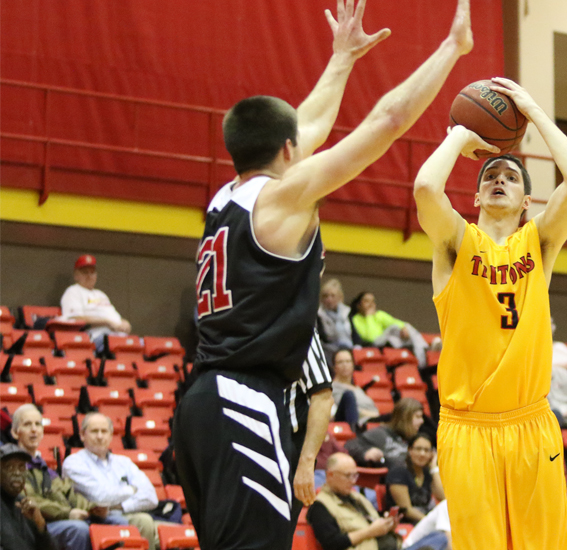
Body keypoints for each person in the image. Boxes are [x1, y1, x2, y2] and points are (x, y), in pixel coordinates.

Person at [172, 0, 475, 547]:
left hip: (200, 404)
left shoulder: (227, 197)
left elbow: (305, 124)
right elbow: (386, 121)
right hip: (245, 397)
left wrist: (341, 59)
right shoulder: (283, 199)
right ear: (289, 150)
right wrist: (451, 49)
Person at [413, 77, 567, 550]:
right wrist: (460, 135)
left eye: (511, 177)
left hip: (531, 424)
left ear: (526, 202)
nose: (499, 179)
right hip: (467, 430)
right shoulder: (455, 242)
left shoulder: (540, 242)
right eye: (489, 175)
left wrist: (532, 111)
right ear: (473, 198)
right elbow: (426, 187)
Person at [12, 405, 128, 550]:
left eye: (38, 424)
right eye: (27, 424)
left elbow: (69, 494)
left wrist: (93, 508)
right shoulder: (11, 466)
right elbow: (28, 502)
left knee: (118, 521)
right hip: (34, 526)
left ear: (42, 432)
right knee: (78, 529)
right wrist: (68, 513)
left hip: (59, 520)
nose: (34, 429)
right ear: (15, 432)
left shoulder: (44, 468)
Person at [61, 413, 169, 550]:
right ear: (82, 435)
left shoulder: (123, 462)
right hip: (96, 519)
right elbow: (100, 497)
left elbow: (151, 497)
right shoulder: (73, 463)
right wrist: (132, 489)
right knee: (144, 521)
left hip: (127, 513)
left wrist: (121, 506)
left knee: (185, 530)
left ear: (111, 436)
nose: (100, 436)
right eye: (94, 431)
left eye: (104, 431)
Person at [307, 453, 448, 550]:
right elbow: (332, 544)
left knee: (440, 536)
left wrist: (388, 525)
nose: (353, 481)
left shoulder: (358, 497)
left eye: (355, 475)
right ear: (330, 475)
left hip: (397, 545)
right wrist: (370, 531)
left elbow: (374, 523)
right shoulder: (320, 506)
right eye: (348, 476)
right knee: (441, 540)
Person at [59, 254, 132, 352]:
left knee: (143, 345)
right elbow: (74, 319)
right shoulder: (73, 291)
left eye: (92, 272)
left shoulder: (101, 294)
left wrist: (124, 323)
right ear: (76, 275)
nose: (89, 276)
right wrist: (106, 322)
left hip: (117, 336)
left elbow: (114, 317)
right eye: (85, 272)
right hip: (94, 338)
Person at [349, 292, 429, 367]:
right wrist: (369, 317)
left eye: (372, 302)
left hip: (388, 341)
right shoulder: (356, 319)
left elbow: (394, 321)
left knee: (406, 327)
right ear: (359, 305)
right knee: (394, 328)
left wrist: (403, 327)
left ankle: (423, 354)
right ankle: (425, 350)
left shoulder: (379, 314)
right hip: (373, 344)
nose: (371, 304)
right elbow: (372, 338)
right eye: (366, 301)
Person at [1, 443, 57, 550]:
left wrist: (41, 527)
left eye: (21, 467)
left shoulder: (25, 504)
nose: (17, 473)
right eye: (9, 467)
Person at [385, 433, 444, 524]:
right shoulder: (398, 471)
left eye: (426, 450)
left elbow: (442, 497)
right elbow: (407, 510)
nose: (422, 454)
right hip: (404, 523)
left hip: (425, 520)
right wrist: (431, 523)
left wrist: (434, 468)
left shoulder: (427, 471)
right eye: (418, 449)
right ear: (410, 450)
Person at [345, 398, 424, 466]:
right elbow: (349, 446)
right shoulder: (380, 434)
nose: (422, 421)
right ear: (404, 418)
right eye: (417, 417)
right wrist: (365, 453)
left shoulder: (415, 439)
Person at [331, 348, 381, 427]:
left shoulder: (358, 389)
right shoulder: (332, 388)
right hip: (357, 423)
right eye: (340, 362)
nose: (345, 365)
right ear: (334, 367)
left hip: (373, 421)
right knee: (349, 395)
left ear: (353, 365)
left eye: (348, 361)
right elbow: (347, 409)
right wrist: (373, 415)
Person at [318, 278, 354, 353]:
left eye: (332, 296)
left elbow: (355, 335)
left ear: (339, 297)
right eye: (325, 296)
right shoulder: (318, 315)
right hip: (329, 350)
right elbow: (323, 338)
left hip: (349, 348)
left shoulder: (347, 312)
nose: (329, 299)